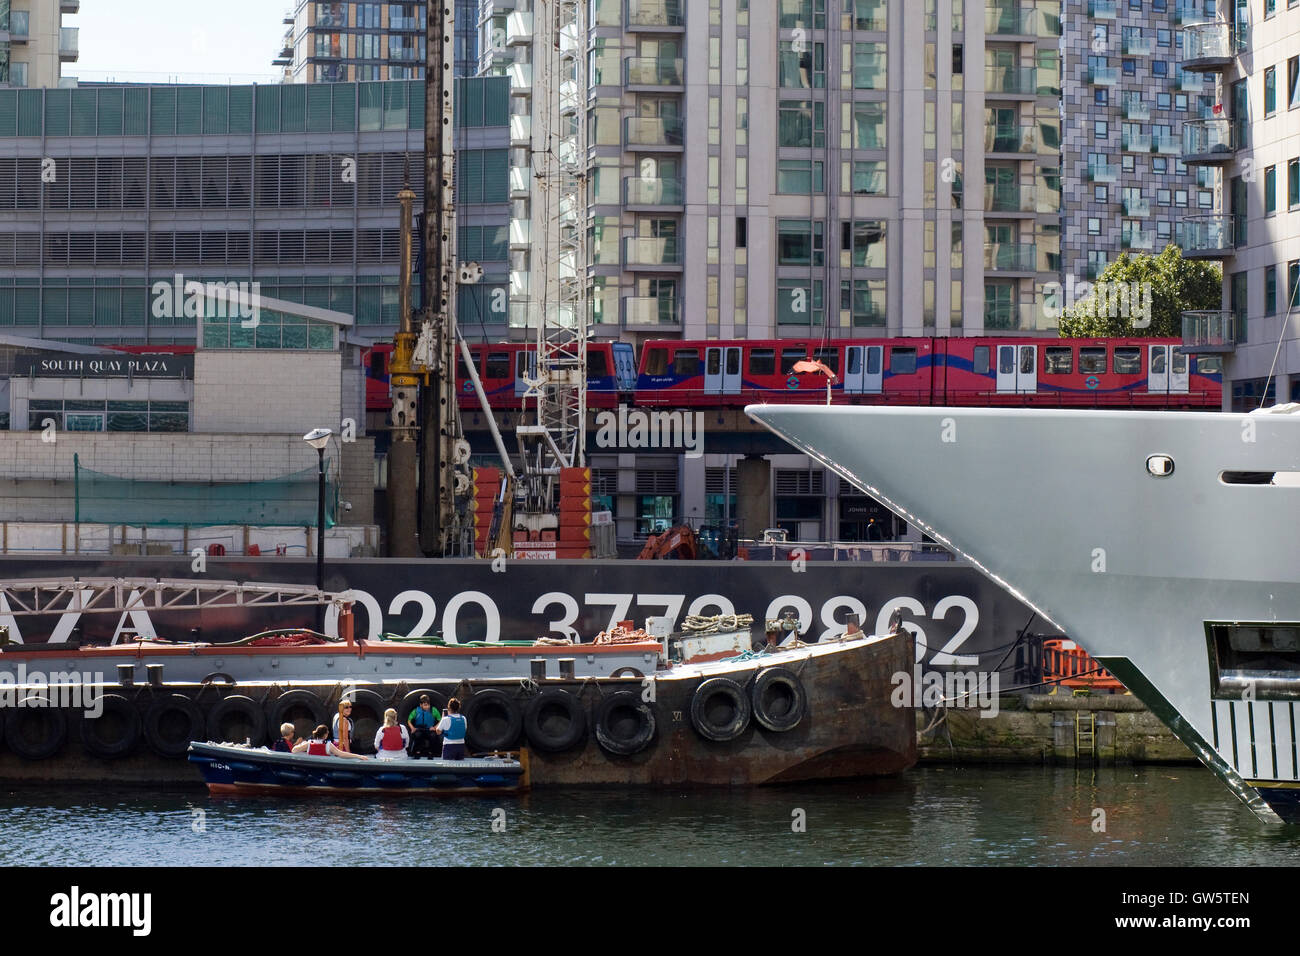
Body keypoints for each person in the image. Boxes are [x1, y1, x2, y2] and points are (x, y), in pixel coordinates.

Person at [293, 724, 368, 759]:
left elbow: (294, 750)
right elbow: (341, 754)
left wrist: (300, 744)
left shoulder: (308, 744)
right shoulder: (328, 745)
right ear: (325, 735)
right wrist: (358, 756)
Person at [406, 695, 440, 759]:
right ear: (421, 705)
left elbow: (440, 719)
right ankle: (417, 752)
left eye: (428, 705)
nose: (427, 706)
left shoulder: (433, 710)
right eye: (425, 705)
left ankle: (431, 752)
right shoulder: (416, 711)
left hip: (429, 729)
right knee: (417, 735)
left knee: (433, 735)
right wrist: (412, 728)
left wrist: (435, 727)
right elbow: (409, 720)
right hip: (419, 729)